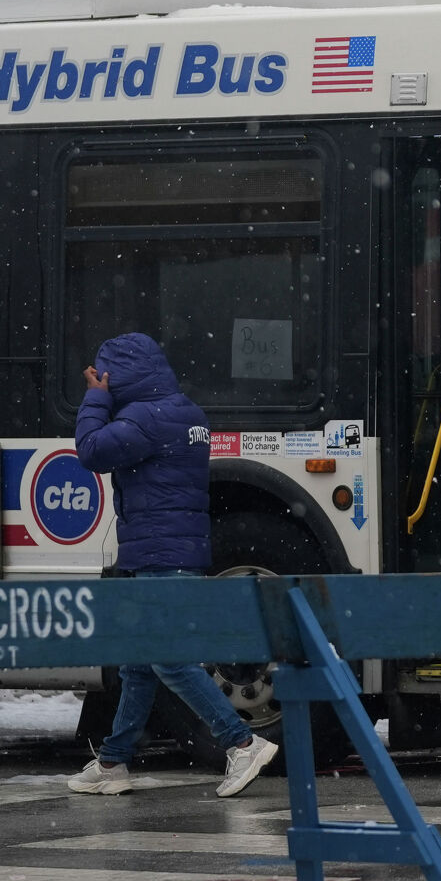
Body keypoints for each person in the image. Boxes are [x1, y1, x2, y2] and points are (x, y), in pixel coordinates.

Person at [65, 332, 281, 798]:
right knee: (141, 665)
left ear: (118, 375)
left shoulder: (144, 419)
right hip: (172, 553)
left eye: (105, 373)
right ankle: (113, 761)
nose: (101, 380)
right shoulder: (185, 412)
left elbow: (90, 451)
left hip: (161, 555)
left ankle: (240, 742)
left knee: (168, 658)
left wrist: (96, 399)